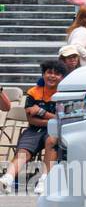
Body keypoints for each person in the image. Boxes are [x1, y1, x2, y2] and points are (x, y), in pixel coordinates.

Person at [0, 60, 66, 195]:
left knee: (52, 141)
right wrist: (51, 119)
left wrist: (41, 112)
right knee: (24, 149)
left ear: (62, 77)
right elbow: (31, 119)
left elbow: (62, 119)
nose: (52, 76)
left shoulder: (64, 94)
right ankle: (8, 178)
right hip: (34, 129)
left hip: (54, 131)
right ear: (43, 74)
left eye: (56, 74)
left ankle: (44, 179)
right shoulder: (33, 92)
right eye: (49, 72)